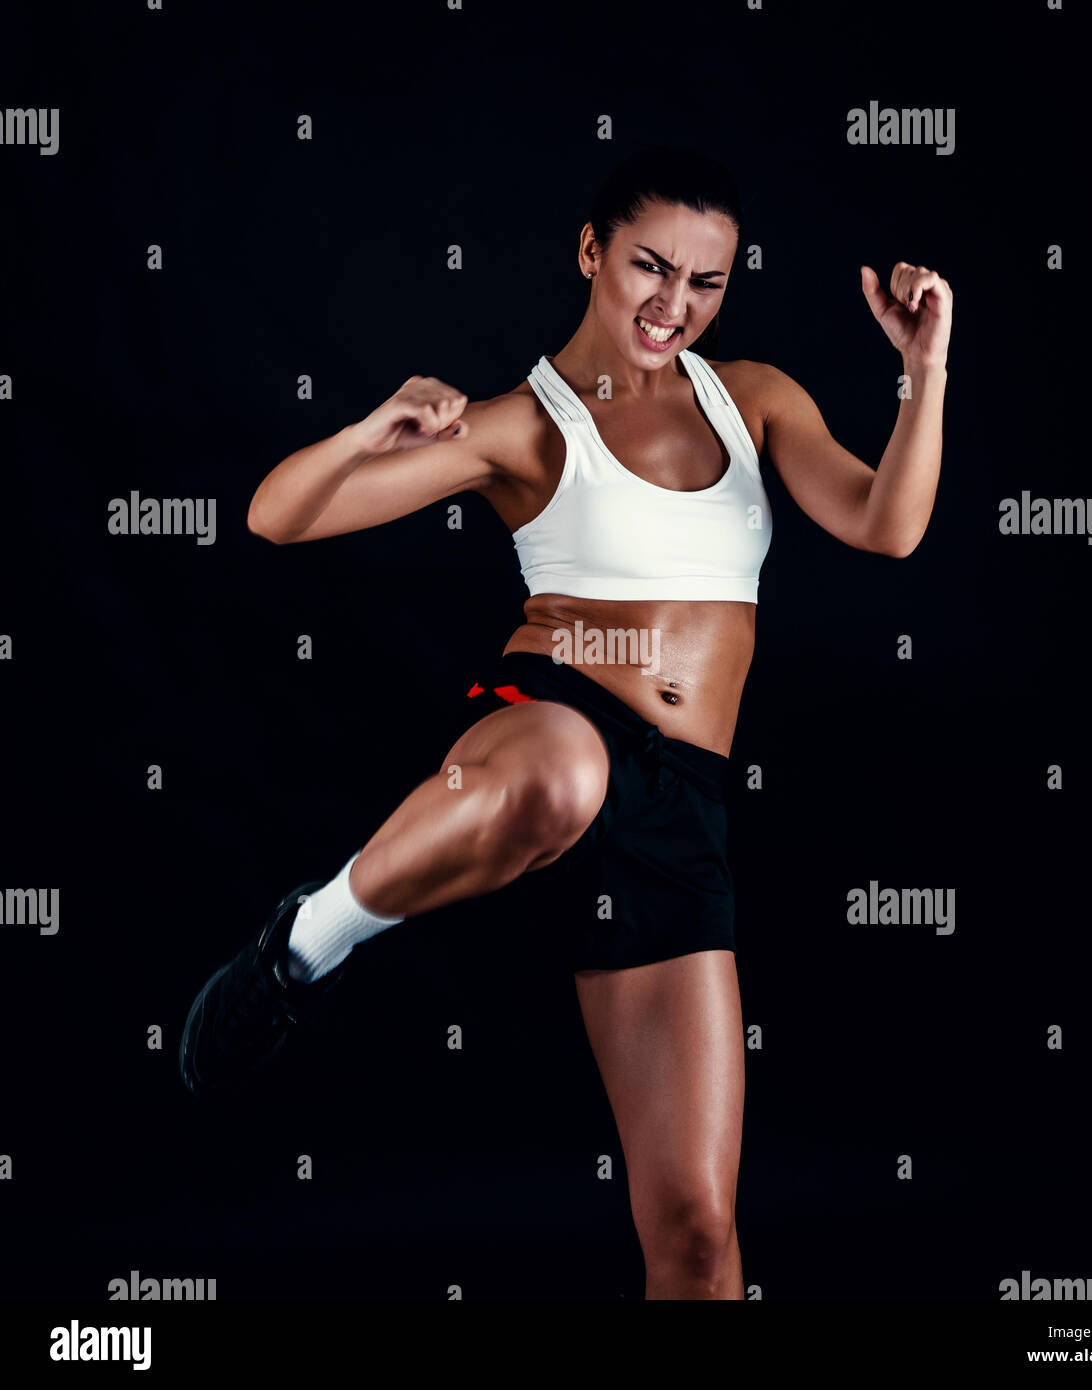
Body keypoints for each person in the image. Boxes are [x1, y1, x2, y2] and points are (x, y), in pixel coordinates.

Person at [178, 144, 952, 1300]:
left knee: (696, 1228)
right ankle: (303, 943)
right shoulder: (522, 427)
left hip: (681, 800)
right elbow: (276, 517)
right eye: (648, 266)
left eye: (705, 282)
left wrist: (923, 370)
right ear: (591, 251)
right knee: (564, 775)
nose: (672, 305)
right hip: (549, 712)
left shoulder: (756, 399)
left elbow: (886, 525)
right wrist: (369, 431)